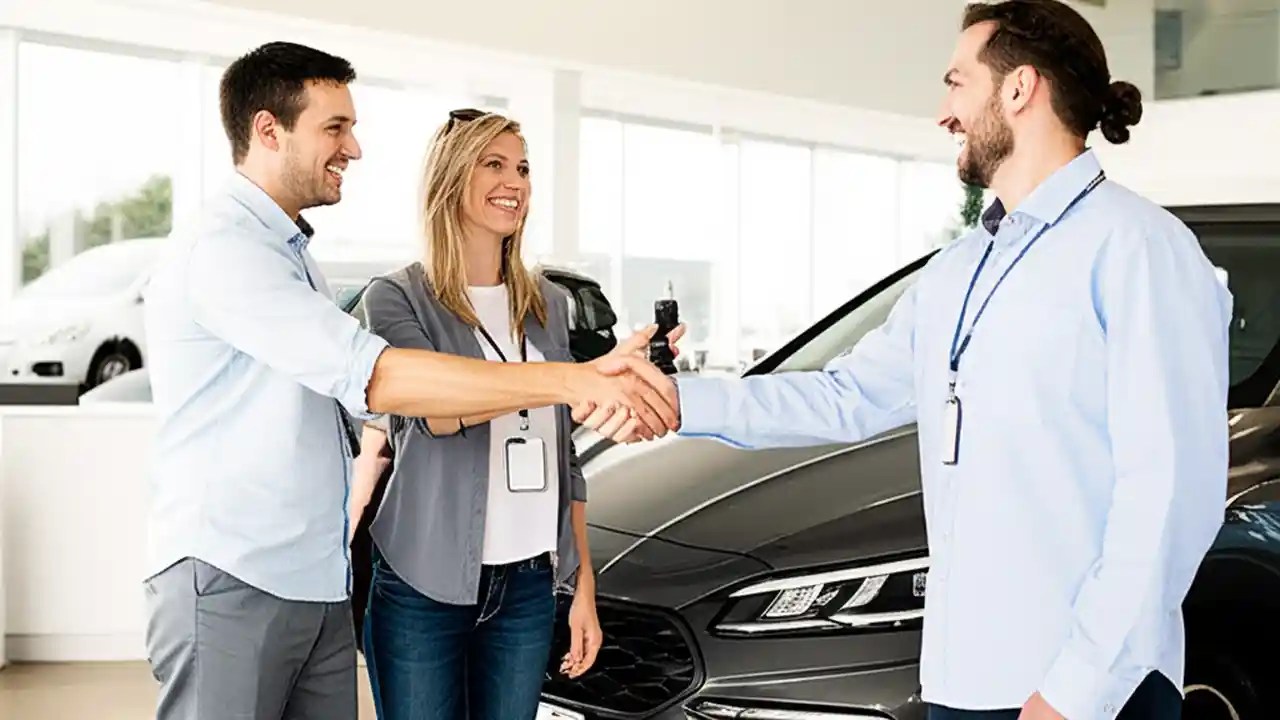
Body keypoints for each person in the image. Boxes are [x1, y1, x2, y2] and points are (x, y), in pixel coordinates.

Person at [578, 2, 1232, 719]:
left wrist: (1074, 692)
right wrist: (676, 400)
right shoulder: (960, 266)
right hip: (961, 680)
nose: (943, 111)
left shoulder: (1140, 249)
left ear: (1018, 90)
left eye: (957, 82)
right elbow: (844, 395)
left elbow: (1168, 497)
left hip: (1089, 692)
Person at [141, 42, 678, 720]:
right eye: (335, 127)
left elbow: (548, 447)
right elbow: (382, 382)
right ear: (268, 130)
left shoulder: (292, 255)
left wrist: (600, 385)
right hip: (234, 574)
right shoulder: (226, 252)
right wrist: (571, 381)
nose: (355, 147)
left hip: (314, 575)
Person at [347, 109, 680, 720]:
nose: (516, 182)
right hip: (423, 582)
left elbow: (564, 455)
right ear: (451, 178)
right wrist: (568, 380)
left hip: (528, 584)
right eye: (494, 164)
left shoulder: (548, 302)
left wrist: (582, 585)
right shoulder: (396, 297)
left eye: (523, 168)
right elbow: (436, 416)